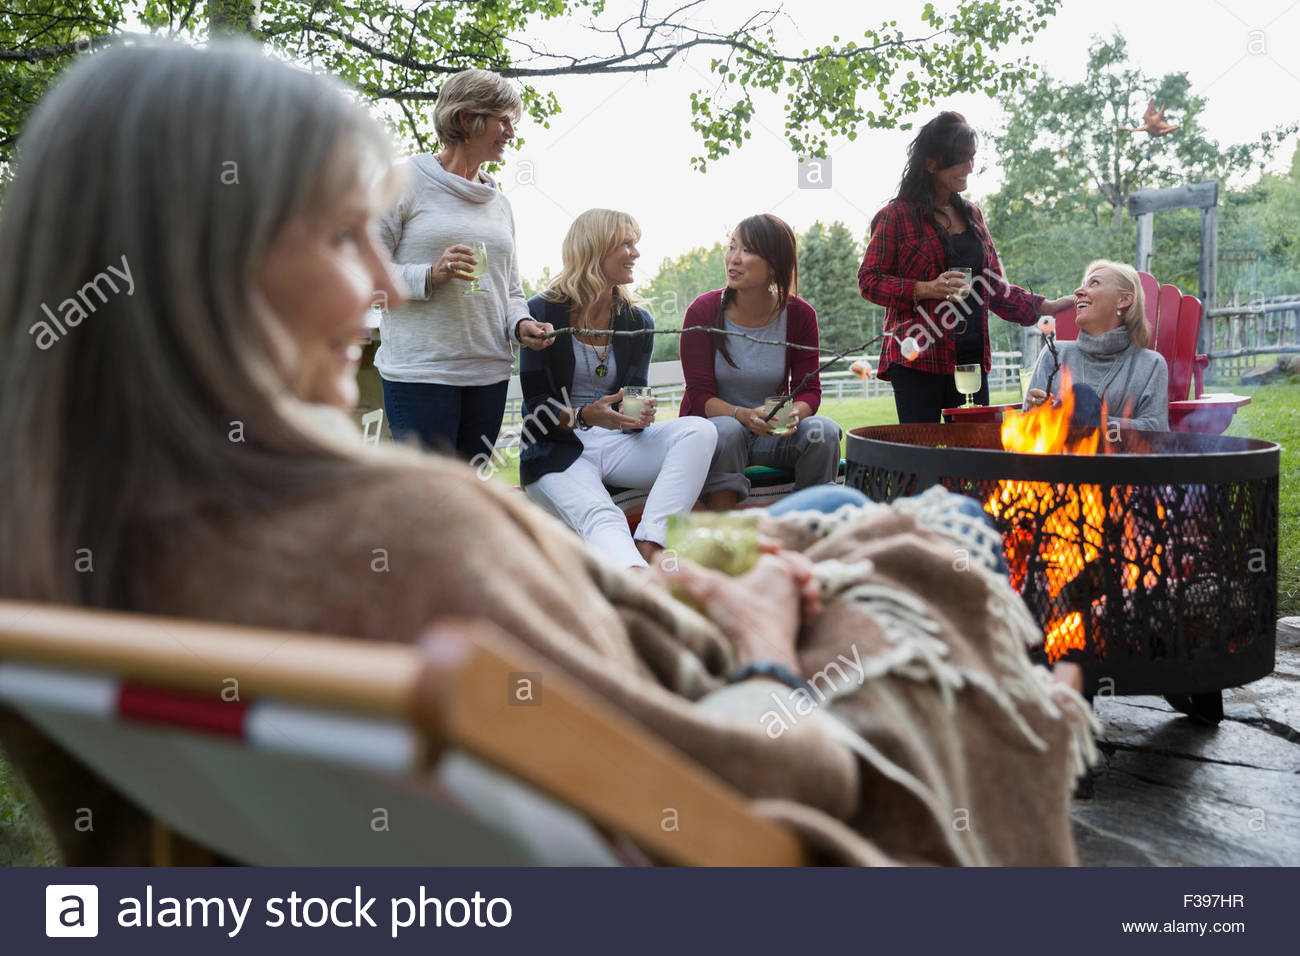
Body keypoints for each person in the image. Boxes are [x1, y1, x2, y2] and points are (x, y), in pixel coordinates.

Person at [0, 43, 1092, 867]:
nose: (385, 287)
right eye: (346, 240)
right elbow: (752, 765)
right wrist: (761, 632)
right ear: (205, 265)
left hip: (621, 536)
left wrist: (717, 429)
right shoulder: (406, 527)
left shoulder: (59, 568)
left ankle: (680, 547)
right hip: (597, 521)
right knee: (934, 529)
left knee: (799, 482)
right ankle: (1046, 671)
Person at [519, 210, 717, 568]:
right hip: (556, 446)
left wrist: (637, 414)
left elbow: (633, 395)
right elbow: (536, 410)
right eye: (626, 243)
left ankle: (651, 542)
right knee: (603, 516)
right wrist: (583, 416)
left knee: (700, 430)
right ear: (595, 248)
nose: (636, 253)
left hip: (617, 443)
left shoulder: (637, 320)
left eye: (635, 243)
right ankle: (640, 586)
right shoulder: (540, 311)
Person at [376, 67, 554, 460]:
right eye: (503, 120)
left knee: (467, 499)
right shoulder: (403, 181)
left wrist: (520, 324)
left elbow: (509, 289)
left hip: (488, 377)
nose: (511, 132)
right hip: (421, 375)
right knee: (428, 503)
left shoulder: (500, 203)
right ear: (465, 118)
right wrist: (429, 275)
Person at [857, 111, 1074, 424]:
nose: (969, 167)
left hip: (970, 358)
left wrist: (1046, 306)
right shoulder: (896, 215)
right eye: (960, 159)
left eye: (971, 158)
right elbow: (869, 281)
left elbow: (993, 287)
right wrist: (926, 288)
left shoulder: (973, 215)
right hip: (919, 356)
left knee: (973, 455)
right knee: (923, 457)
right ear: (931, 163)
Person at [679, 214, 842, 510]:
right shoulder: (702, 312)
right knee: (727, 430)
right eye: (732, 246)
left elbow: (810, 390)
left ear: (774, 265)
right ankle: (723, 535)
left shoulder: (801, 315)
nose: (734, 258)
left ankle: (809, 525)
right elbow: (698, 396)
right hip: (719, 433)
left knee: (824, 431)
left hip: (773, 433)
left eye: (747, 250)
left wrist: (793, 413)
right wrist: (741, 414)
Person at [1024, 260, 1169, 430]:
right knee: (1081, 395)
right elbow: (1029, 428)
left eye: (1094, 283)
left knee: (1081, 396)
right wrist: (1033, 411)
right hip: (1058, 454)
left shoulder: (1150, 364)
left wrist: (1094, 423)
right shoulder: (1055, 354)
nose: (1078, 292)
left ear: (1123, 299)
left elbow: (1156, 429)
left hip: (1119, 455)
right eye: (1082, 285)